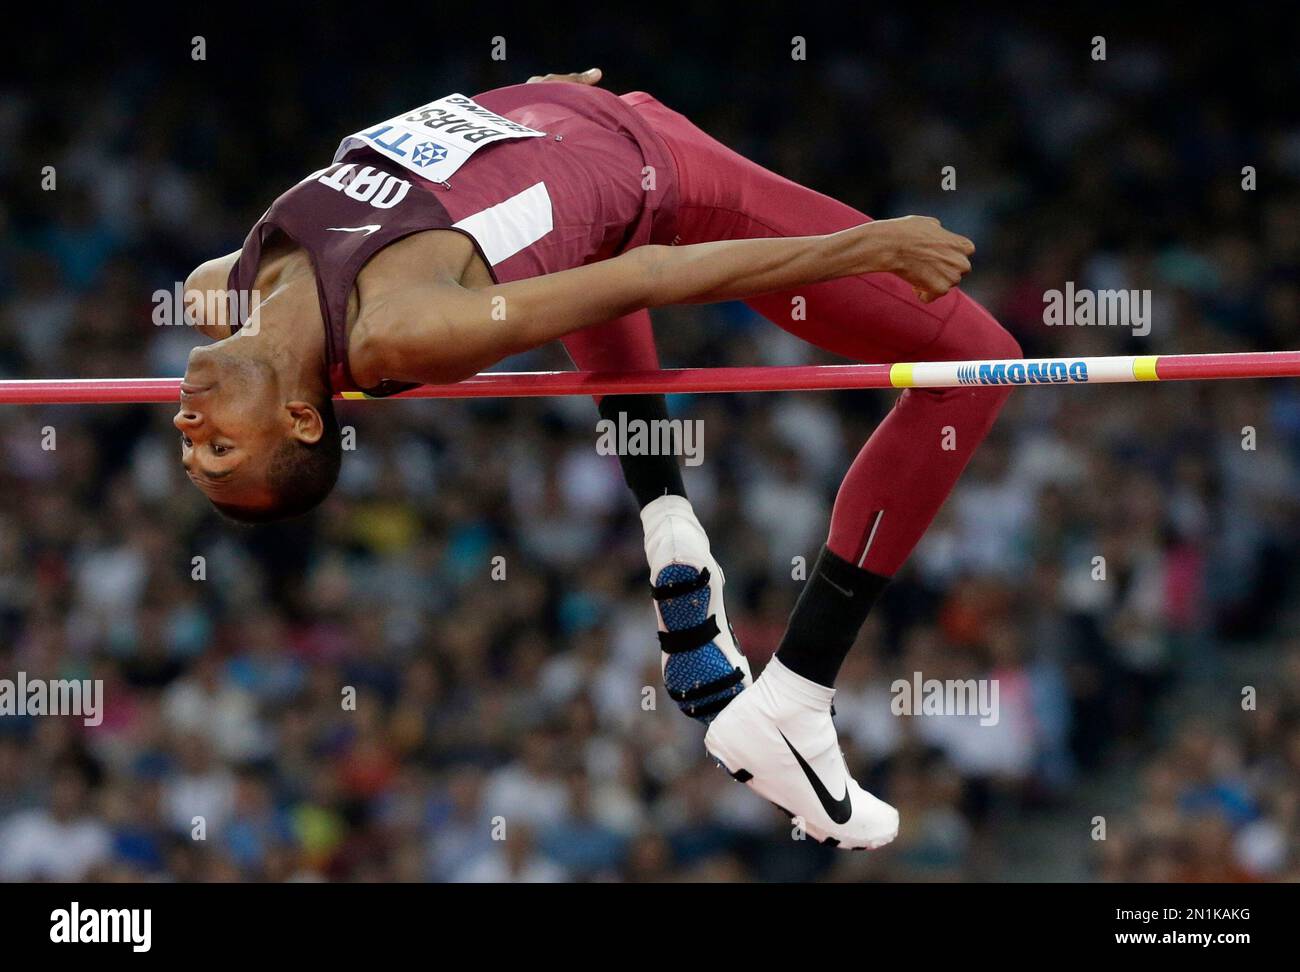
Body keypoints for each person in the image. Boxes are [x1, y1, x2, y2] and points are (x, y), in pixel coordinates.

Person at [177, 69, 1021, 849]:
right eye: (221, 447)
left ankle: (665, 513)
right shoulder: (405, 331)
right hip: (669, 174)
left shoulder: (223, 286)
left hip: (572, 121)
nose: (188, 423)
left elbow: (417, 166)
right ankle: (797, 692)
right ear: (301, 419)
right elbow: (645, 275)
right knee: (978, 365)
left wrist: (523, 104)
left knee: (576, 249)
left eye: (195, 445)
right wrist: (869, 245)